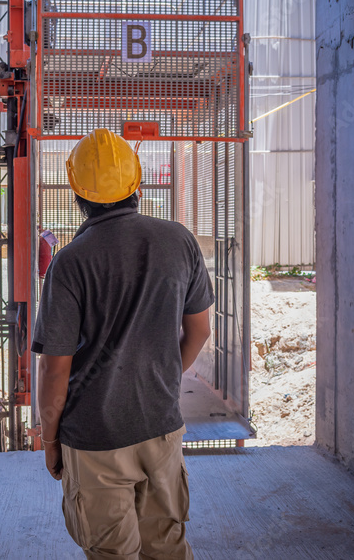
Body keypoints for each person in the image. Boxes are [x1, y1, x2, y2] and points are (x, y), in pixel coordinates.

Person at [32, 128, 214, 560]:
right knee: (167, 546)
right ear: (137, 185)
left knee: (113, 552)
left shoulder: (70, 262)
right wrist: (163, 380)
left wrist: (51, 440)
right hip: (161, 428)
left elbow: (54, 369)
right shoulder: (179, 240)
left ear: (77, 190)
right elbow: (201, 330)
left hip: (94, 440)